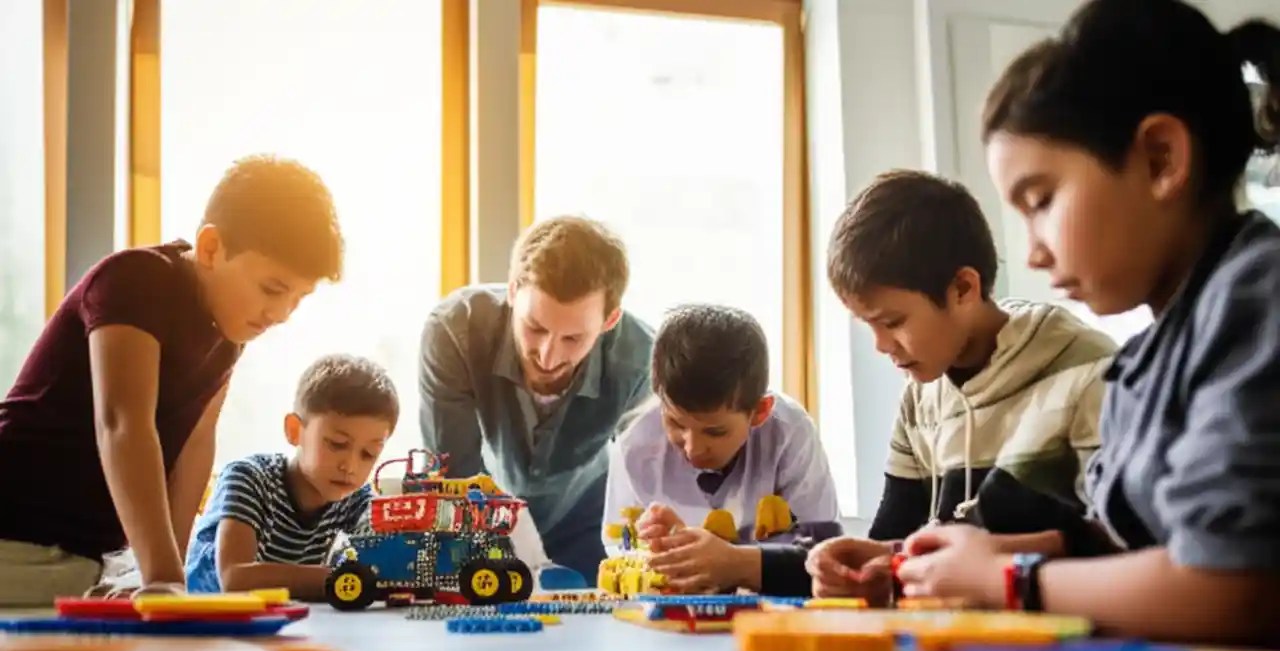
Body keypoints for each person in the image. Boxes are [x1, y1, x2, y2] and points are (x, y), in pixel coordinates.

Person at [895, 0, 1280, 644]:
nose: (1032, 252)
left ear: (1161, 159)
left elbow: (1233, 587)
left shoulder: (1255, 302)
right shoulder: (1148, 355)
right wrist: (944, 562)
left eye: (1041, 202)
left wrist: (1010, 581)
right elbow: (1126, 542)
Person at [0, 155, 343, 605]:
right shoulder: (136, 281)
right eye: (272, 289)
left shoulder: (228, 336)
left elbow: (195, 448)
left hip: (87, 554)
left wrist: (167, 576)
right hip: (17, 533)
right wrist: (160, 575)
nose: (280, 314)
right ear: (210, 248)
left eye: (298, 299)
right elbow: (123, 423)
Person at [806, 169, 1115, 602]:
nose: (880, 345)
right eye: (868, 326)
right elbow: (898, 539)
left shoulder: (1090, 372)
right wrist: (871, 566)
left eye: (893, 322)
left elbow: (1120, 542)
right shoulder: (920, 396)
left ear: (964, 288)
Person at [419, 216, 654, 578]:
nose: (548, 356)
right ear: (513, 292)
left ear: (609, 322)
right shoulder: (455, 329)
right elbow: (452, 473)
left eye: (573, 339)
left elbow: (644, 491)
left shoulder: (642, 361)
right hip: (482, 518)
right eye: (535, 328)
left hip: (592, 529)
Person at [604, 304, 840, 594]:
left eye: (715, 432)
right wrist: (660, 549)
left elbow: (826, 554)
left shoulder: (790, 434)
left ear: (760, 412)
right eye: (676, 423)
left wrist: (732, 563)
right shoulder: (635, 445)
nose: (692, 449)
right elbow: (618, 551)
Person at [185, 355, 395, 598]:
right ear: (295, 431)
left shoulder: (358, 500)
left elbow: (384, 570)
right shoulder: (248, 478)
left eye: (368, 454)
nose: (350, 466)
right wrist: (347, 577)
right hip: (210, 621)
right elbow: (235, 578)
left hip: (289, 622)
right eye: (337, 444)